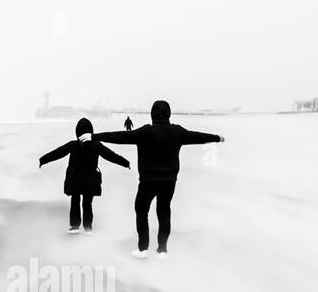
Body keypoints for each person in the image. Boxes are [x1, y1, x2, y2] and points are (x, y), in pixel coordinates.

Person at [94, 100, 223, 259]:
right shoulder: (177, 132)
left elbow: (120, 136)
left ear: (152, 114)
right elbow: (199, 137)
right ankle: (162, 250)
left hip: (147, 181)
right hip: (169, 181)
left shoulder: (145, 132)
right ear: (168, 114)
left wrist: (93, 137)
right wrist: (217, 138)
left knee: (141, 211)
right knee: (163, 211)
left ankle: (142, 249)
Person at [38, 117, 130, 233]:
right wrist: (125, 163)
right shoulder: (96, 145)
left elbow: (57, 153)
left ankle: (75, 226)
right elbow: (111, 155)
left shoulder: (73, 145)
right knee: (87, 203)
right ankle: (88, 227)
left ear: (77, 132)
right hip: (90, 180)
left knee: (75, 201)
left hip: (75, 179)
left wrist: (43, 160)